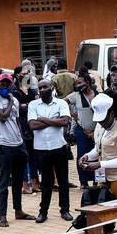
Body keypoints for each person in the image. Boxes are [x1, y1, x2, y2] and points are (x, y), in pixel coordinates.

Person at [0, 74, 33, 228]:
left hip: (18, 143)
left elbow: (16, 120)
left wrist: (21, 137)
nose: (5, 86)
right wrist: (9, 102)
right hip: (4, 144)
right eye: (3, 84)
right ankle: (2, 216)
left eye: (8, 84)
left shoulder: (14, 99)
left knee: (18, 179)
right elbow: (2, 117)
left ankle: (18, 210)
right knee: (3, 182)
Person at [28, 78, 73, 224]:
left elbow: (65, 122)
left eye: (45, 87)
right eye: (40, 88)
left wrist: (43, 119)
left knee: (63, 180)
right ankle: (43, 211)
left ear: (52, 87)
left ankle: (65, 209)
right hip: (41, 148)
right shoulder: (33, 105)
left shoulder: (61, 103)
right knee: (46, 182)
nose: (42, 90)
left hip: (59, 146)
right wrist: (54, 121)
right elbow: (33, 125)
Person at [79, 93, 117, 199]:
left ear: (111, 113)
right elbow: (98, 149)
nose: (101, 122)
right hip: (103, 177)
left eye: (103, 119)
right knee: (103, 206)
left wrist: (100, 164)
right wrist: (87, 156)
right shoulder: (100, 127)